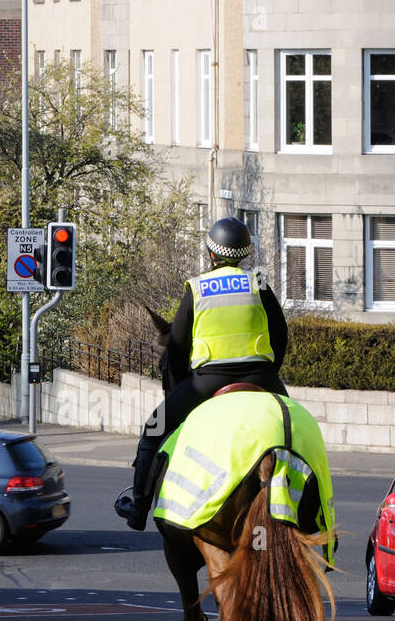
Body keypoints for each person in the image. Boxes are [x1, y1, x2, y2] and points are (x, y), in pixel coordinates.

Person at [113, 216, 288, 530]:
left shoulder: (198, 288)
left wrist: (182, 386)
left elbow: (178, 348)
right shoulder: (259, 281)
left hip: (209, 382)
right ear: (245, 255)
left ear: (211, 254)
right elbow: (281, 334)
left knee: (153, 429)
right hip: (262, 378)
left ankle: (138, 506)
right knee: (295, 432)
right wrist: (269, 372)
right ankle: (313, 520)